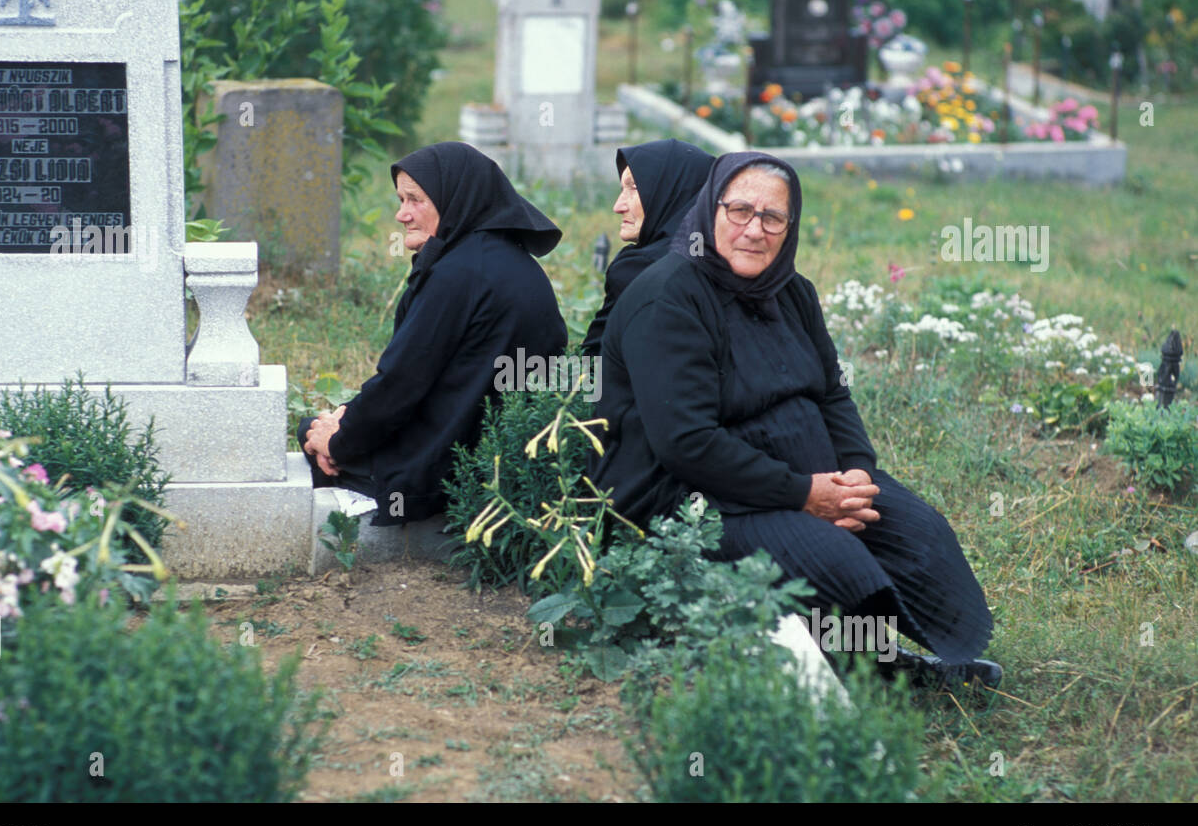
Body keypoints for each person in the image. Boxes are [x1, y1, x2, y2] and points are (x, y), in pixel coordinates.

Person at [591, 151, 1000, 687]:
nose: (754, 230)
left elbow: (832, 392)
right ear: (709, 211)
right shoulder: (670, 298)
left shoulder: (793, 292)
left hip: (803, 475)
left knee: (915, 531)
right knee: (832, 556)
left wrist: (856, 472)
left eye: (772, 217)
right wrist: (803, 495)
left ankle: (881, 654)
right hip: (686, 496)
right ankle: (859, 668)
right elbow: (686, 442)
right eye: (739, 210)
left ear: (790, 227)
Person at [298, 142, 567, 526]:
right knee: (333, 427)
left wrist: (339, 441)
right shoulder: (508, 261)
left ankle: (350, 532)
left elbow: (401, 382)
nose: (401, 213)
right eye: (400, 199)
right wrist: (348, 417)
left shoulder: (457, 274)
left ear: (454, 198)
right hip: (504, 457)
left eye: (415, 200)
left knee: (310, 430)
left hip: (442, 469)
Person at [581, 139, 714, 357]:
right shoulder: (731, 261)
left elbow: (593, 364)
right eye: (622, 189)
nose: (618, 206)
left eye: (634, 188)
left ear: (672, 191)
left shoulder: (640, 269)